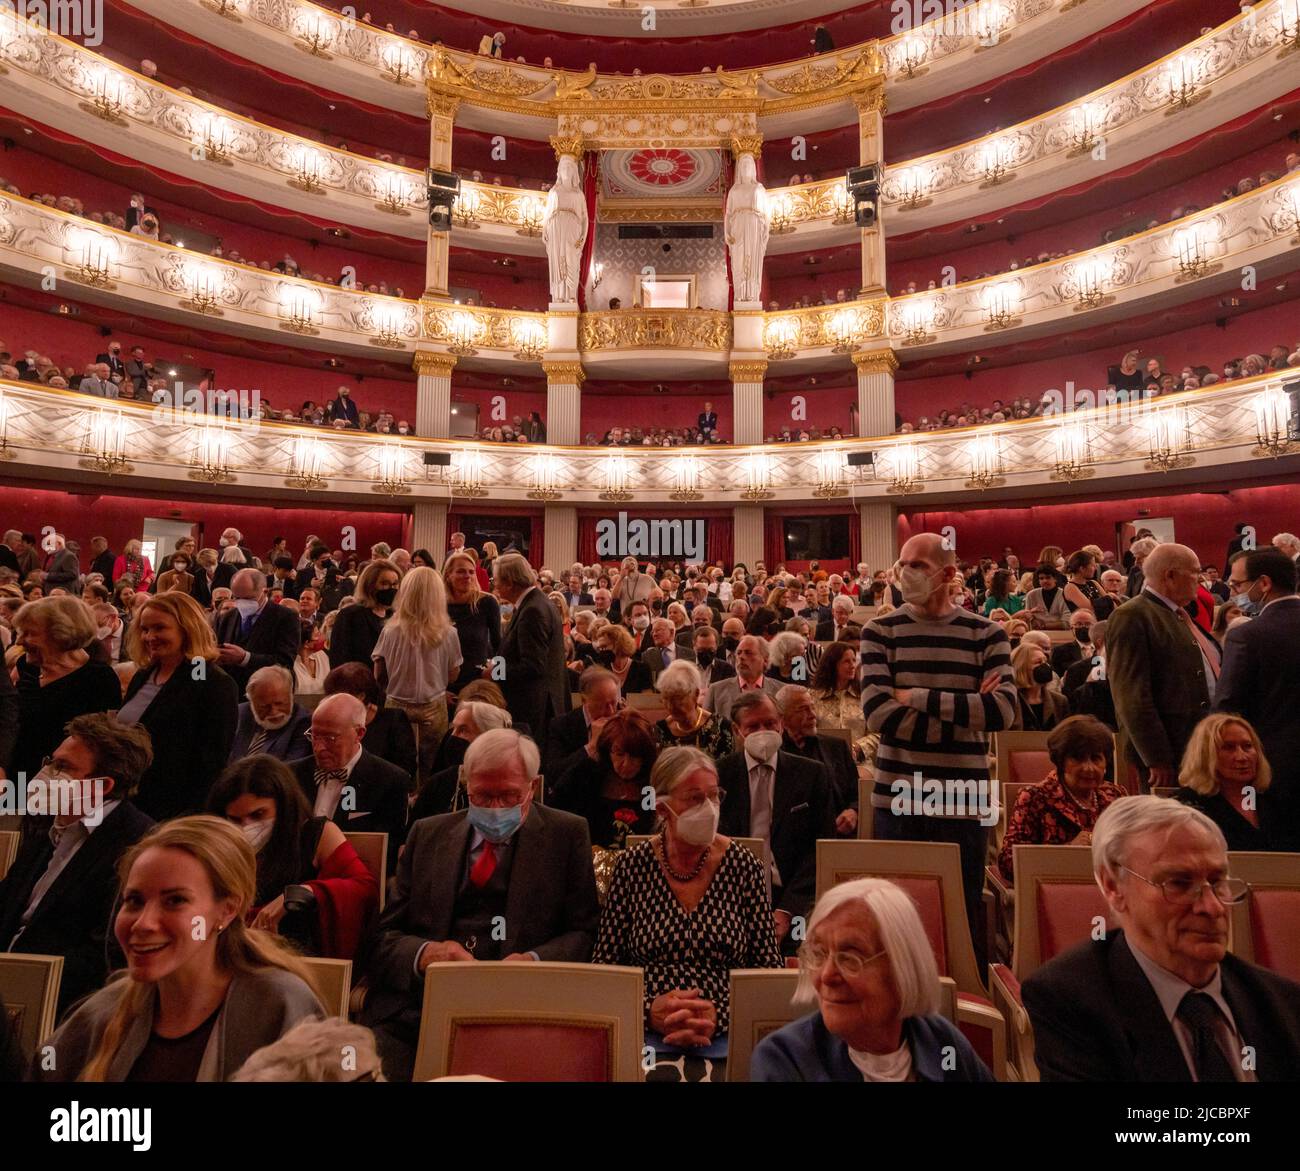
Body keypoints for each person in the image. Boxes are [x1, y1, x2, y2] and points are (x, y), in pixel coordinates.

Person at [362, 729, 600, 1080]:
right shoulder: (427, 834)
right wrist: (427, 954)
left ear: (532, 788)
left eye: (508, 797)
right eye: (482, 797)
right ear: (466, 786)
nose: (494, 808)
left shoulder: (567, 834)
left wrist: (534, 962)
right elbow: (383, 937)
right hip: (421, 1008)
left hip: (524, 1007)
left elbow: (585, 931)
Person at [1022, 797, 1300, 1081]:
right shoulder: (1074, 1002)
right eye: (1179, 883)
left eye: (1217, 882)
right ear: (1113, 886)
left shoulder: (1281, 1003)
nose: (1212, 907)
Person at [36, 816, 324, 1082]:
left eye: (175, 901)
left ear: (226, 911)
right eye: (134, 901)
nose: (143, 924)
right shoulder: (103, 1013)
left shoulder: (278, 1006)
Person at [862, 534, 1016, 954]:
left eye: (918, 566)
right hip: (899, 795)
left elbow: (1002, 713)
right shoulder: (880, 631)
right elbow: (878, 715)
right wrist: (968, 709)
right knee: (898, 920)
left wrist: (914, 697)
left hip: (964, 797)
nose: (904, 573)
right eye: (902, 563)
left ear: (948, 574)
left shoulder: (988, 634)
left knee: (958, 917)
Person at [594, 748, 781, 1073]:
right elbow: (604, 970)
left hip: (727, 1026)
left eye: (714, 796)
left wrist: (718, 1014)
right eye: (694, 799)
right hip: (646, 1028)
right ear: (662, 806)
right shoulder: (631, 867)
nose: (709, 809)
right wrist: (648, 1010)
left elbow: (768, 971)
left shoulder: (743, 866)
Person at [751, 878, 993, 1082]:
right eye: (818, 953)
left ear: (902, 967)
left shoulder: (942, 1044)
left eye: (850, 958)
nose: (826, 975)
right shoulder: (786, 1060)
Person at [0, 715, 155, 1015]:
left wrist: (20, 977)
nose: (47, 773)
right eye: (52, 761)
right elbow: (6, 902)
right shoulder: (48, 821)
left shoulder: (137, 843)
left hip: (59, 1001)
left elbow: (107, 953)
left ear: (103, 785)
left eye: (64, 767)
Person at [209, 756, 378, 959]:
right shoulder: (218, 844)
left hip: (300, 961)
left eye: (258, 815)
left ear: (284, 807)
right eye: (235, 819)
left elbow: (364, 889)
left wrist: (305, 892)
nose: (246, 827)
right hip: (230, 956)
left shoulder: (314, 835)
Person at [718, 692, 836, 949]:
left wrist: (787, 910)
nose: (763, 731)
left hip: (795, 898)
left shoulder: (812, 774)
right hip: (729, 898)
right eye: (753, 726)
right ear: (738, 730)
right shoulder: (719, 776)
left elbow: (821, 849)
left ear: (781, 723)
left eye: (770, 723)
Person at [117, 592, 239, 820]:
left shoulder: (206, 676)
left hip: (169, 811)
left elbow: (211, 763)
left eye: (160, 628)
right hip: (127, 799)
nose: (150, 636)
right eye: (145, 629)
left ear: (187, 628)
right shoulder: (144, 674)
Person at [1108, 543, 1217, 788]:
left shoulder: (1177, 614)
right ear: (1170, 575)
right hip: (1170, 751)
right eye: (1195, 572)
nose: (1200, 580)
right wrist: (1156, 757)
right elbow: (1132, 695)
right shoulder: (1132, 615)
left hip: (1196, 745)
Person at [1216, 546, 1300, 848]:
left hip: (1273, 769)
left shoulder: (1248, 635)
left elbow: (1226, 708)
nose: (1235, 591)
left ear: (1263, 583)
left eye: (1237, 584)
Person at [286, 694, 410, 871]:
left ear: (359, 733)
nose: (319, 747)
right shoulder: (291, 775)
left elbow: (386, 853)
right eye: (314, 735)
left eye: (330, 738)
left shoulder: (389, 781)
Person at [997, 715, 1125, 882]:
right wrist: (1067, 851)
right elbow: (1008, 865)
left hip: (1110, 889)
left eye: (1096, 759)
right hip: (1054, 892)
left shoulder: (1116, 796)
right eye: (1078, 758)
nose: (1089, 767)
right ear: (1061, 761)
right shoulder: (1035, 798)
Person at [11, 597, 122, 781]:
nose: (19, 641)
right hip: (12, 773)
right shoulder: (27, 666)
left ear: (62, 634)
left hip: (58, 785)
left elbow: (98, 744)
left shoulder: (99, 679)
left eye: (29, 633)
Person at [372, 567, 462, 792]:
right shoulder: (448, 633)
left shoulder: (390, 631)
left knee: (399, 767)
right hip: (433, 706)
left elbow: (378, 674)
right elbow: (453, 675)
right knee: (432, 768)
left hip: (397, 706)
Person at [1174, 714, 1287, 851]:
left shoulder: (1270, 799)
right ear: (1205, 755)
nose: (1242, 757)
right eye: (1228, 747)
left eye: (1247, 746)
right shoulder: (1188, 806)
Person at [493, 553, 568, 753]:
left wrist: (495, 671)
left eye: (496, 580)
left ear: (510, 582)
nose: (495, 585)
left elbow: (533, 666)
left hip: (533, 709)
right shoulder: (537, 603)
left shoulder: (532, 610)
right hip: (538, 705)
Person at [553, 710, 658, 846]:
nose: (626, 764)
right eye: (619, 754)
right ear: (607, 750)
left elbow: (652, 829)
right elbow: (558, 813)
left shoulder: (650, 783)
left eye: (634, 756)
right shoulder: (586, 776)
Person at [777, 684, 858, 836]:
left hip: (836, 836)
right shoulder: (774, 754)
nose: (813, 715)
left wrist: (854, 811)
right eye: (803, 709)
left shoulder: (837, 747)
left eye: (812, 707)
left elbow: (857, 794)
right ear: (783, 718)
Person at [214, 569, 301, 698]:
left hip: (268, 694)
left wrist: (245, 658)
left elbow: (285, 661)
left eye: (248, 598)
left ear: (264, 592)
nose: (242, 603)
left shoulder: (286, 617)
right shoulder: (228, 617)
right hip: (233, 693)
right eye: (237, 598)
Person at [227, 665, 310, 764]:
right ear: (252, 702)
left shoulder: (303, 723)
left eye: (279, 703)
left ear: (291, 696)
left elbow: (289, 771)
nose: (273, 711)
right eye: (264, 706)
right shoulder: (239, 713)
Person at [654, 660, 734, 759]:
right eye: (666, 699)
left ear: (696, 694)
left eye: (678, 698)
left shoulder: (720, 728)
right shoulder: (660, 731)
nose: (671, 706)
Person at [328, 559, 400, 670]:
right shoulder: (350, 615)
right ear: (370, 586)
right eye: (385, 584)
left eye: (395, 584)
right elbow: (338, 658)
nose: (391, 589)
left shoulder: (395, 616)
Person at [706, 634, 782, 721]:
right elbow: (705, 729)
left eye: (748, 653)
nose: (741, 657)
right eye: (738, 653)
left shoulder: (780, 690)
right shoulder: (716, 691)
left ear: (765, 660)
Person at [1010, 641, 1069, 731]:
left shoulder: (1059, 701)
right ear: (1022, 667)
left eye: (1045, 661)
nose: (1045, 666)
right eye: (1038, 662)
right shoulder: (1009, 701)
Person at [591, 621, 652, 695]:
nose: (602, 651)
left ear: (619, 645)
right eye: (600, 648)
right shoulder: (600, 672)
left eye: (604, 647)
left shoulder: (642, 669)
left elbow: (647, 700)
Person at [1022, 565, 1070, 629]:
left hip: (1060, 633)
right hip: (1037, 634)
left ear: (1055, 579)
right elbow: (1027, 616)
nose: (1044, 581)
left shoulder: (1064, 594)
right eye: (1041, 578)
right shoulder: (1031, 595)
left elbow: (1067, 622)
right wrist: (1032, 619)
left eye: (1048, 577)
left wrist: (1044, 625)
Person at [294, 621, 330, 696]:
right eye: (317, 635)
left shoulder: (322, 656)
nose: (322, 637)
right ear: (306, 644)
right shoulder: (291, 664)